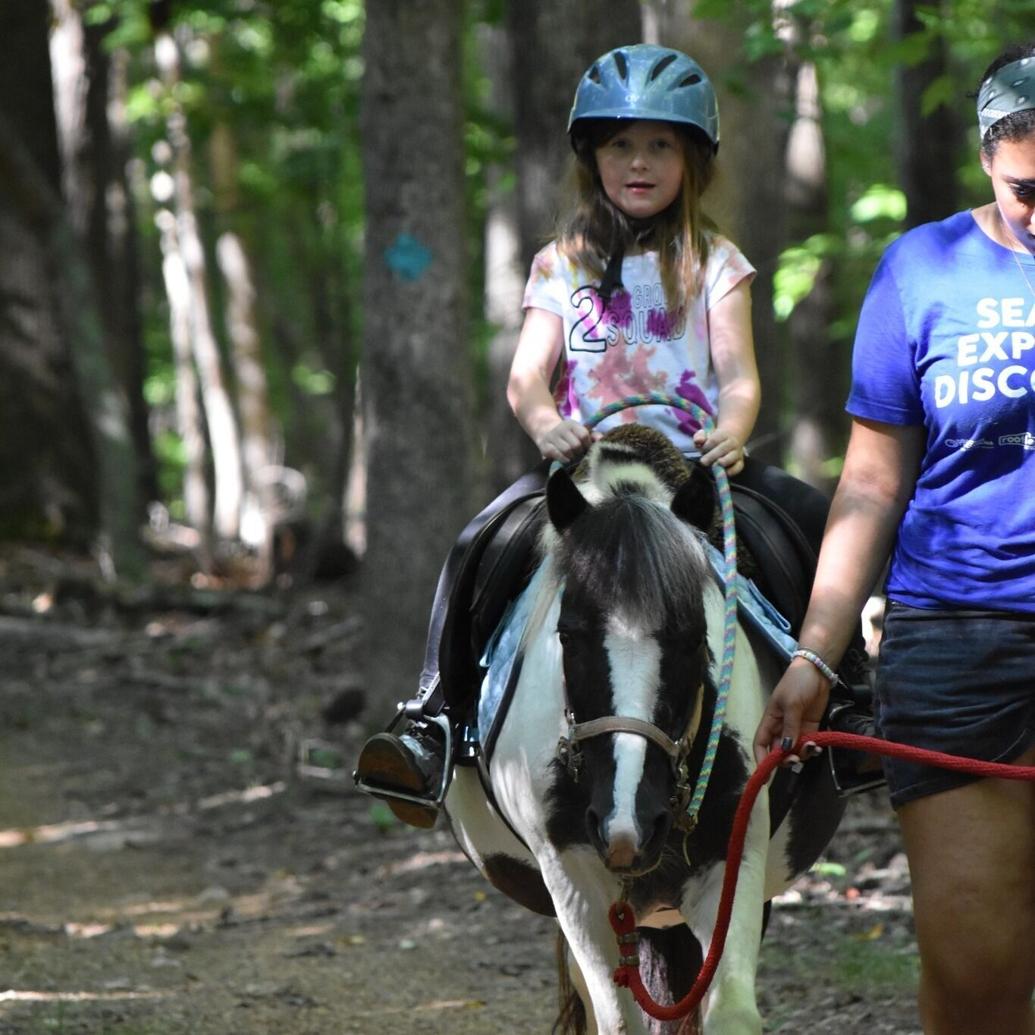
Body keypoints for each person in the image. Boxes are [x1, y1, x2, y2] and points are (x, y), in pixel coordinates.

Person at [356, 43, 842, 828]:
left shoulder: (716, 261)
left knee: (810, 519)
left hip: (688, 468)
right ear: (592, 156)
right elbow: (525, 376)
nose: (639, 162)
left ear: (692, 159)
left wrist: (733, 428)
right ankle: (432, 720)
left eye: (660, 145)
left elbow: (740, 375)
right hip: (586, 470)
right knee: (477, 542)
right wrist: (546, 423)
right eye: (621, 144)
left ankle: (846, 706)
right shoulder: (560, 263)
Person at [753, 43, 1035, 1035]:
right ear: (989, 157)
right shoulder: (921, 268)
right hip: (958, 641)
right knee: (976, 975)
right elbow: (871, 485)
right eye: (1024, 188)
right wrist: (811, 656)